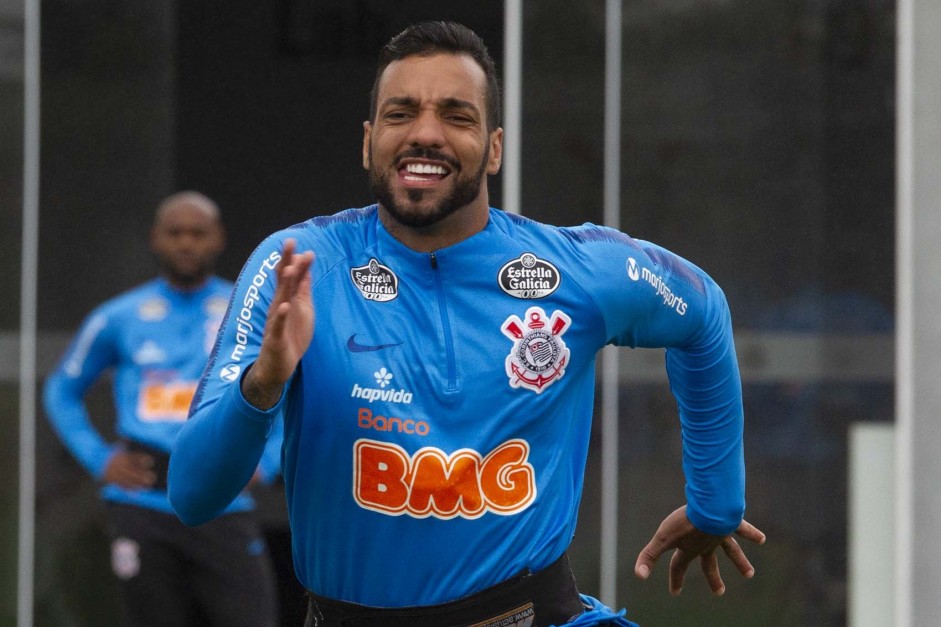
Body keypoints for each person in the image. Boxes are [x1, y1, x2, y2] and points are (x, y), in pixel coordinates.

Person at [168, 22, 765, 627]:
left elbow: (703, 311)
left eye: (457, 116)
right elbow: (193, 495)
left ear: (495, 146)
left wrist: (716, 503)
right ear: (369, 141)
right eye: (401, 114)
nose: (426, 134)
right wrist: (262, 387)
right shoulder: (297, 266)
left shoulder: (579, 269)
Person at [43, 191, 282, 627]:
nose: (186, 243)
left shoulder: (247, 311)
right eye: (175, 233)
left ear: (219, 239)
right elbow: (62, 389)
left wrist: (266, 461)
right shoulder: (118, 316)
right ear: (156, 239)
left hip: (222, 502)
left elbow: (289, 387)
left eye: (198, 233)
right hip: (141, 504)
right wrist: (99, 458)